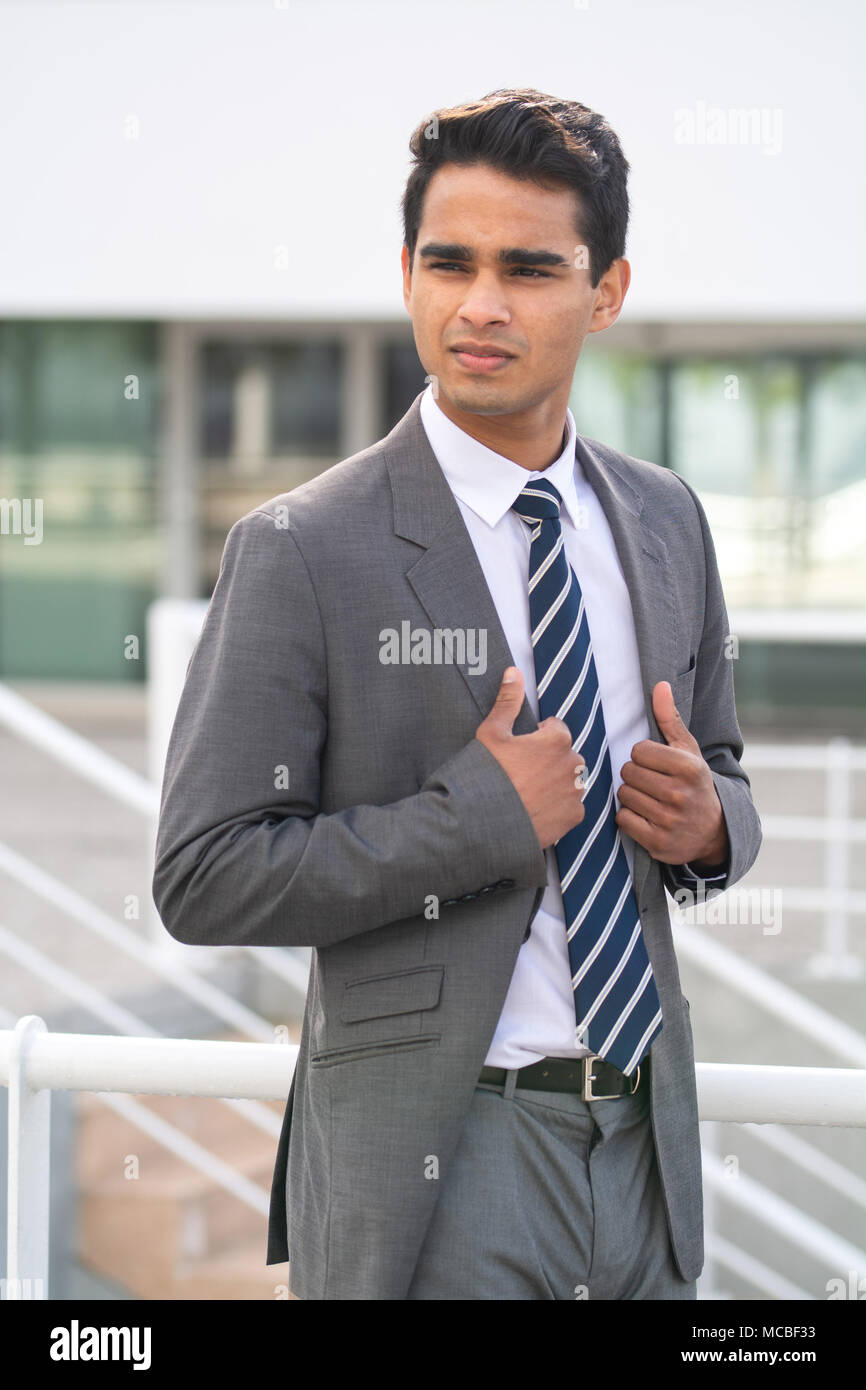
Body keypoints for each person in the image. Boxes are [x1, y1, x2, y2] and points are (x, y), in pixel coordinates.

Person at [152, 88, 762, 1300]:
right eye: (449, 263)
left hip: (644, 1150)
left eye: (528, 269)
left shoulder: (663, 518)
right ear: (407, 274)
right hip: (437, 1167)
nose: (479, 305)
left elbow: (727, 779)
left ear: (606, 293)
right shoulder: (303, 548)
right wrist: (474, 817)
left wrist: (709, 828)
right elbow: (202, 874)